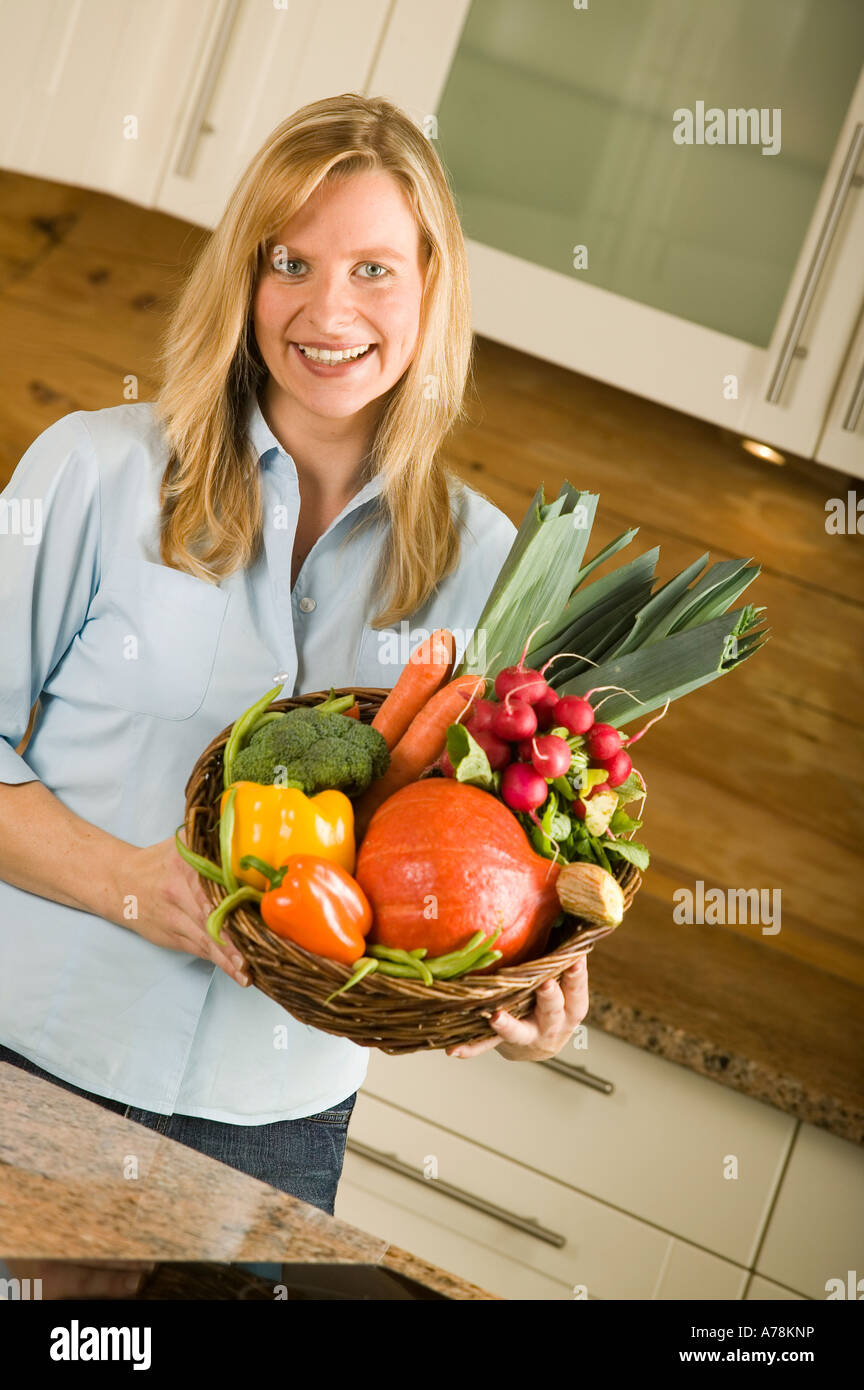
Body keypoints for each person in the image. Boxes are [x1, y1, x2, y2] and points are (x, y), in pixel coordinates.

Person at [0, 97, 590, 1293]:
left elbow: (476, 855)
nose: (330, 311)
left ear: (432, 288)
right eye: (292, 263)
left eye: (375, 267)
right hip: (34, 1066)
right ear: (246, 278)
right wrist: (136, 886)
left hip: (273, 1133)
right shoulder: (97, 471)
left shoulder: (489, 566)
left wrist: (520, 991)